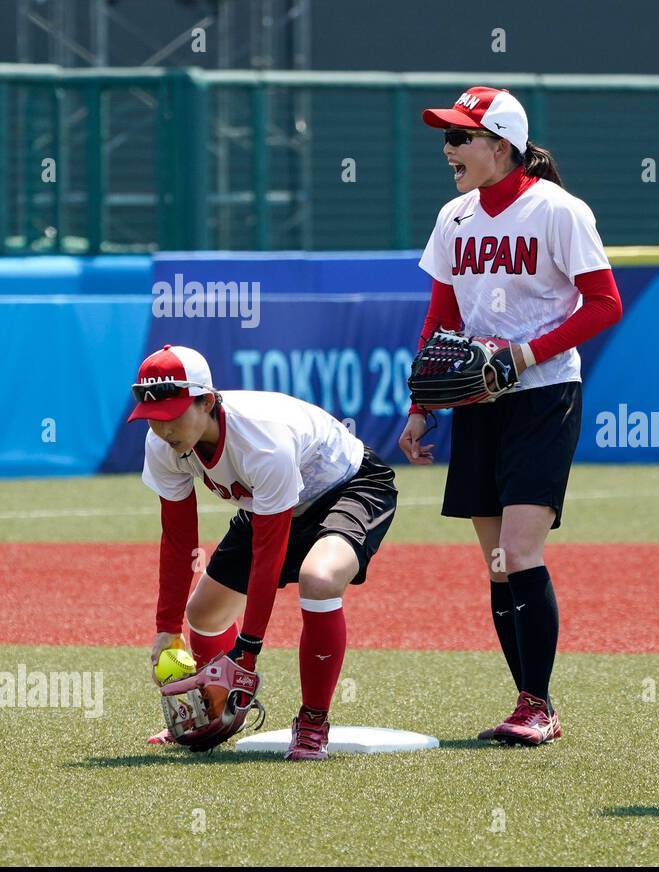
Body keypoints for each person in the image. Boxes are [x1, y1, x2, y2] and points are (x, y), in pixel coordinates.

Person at [399, 86, 622, 745]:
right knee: (497, 561)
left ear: (502, 146)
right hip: (476, 401)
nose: (449, 148)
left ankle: (539, 705)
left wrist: (523, 355)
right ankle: (527, 702)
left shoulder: (558, 211)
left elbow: (604, 305)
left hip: (544, 395)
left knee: (520, 549)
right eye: (447, 136)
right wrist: (421, 405)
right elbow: (441, 317)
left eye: (461, 137)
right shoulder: (455, 217)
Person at [132, 344, 398, 759]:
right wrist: (167, 628)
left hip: (348, 488)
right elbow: (179, 538)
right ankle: (214, 706)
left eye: (172, 414)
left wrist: (248, 652)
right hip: (268, 505)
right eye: (153, 418)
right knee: (202, 613)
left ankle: (312, 723)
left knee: (319, 579)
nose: (163, 429)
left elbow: (269, 552)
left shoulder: (260, 439)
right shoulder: (164, 447)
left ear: (207, 400)